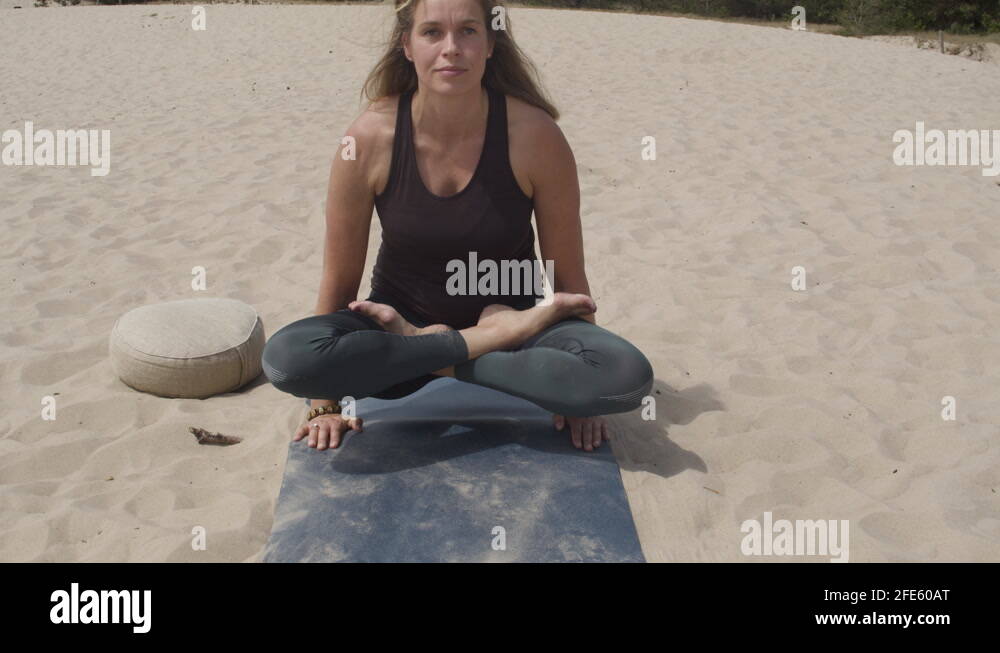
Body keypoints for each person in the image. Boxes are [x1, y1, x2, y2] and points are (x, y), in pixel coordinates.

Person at [262, 0, 653, 453]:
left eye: (468, 31)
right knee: (289, 359)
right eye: (432, 33)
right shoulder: (367, 139)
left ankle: (455, 349)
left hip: (516, 328)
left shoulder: (535, 135)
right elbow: (338, 282)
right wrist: (323, 401)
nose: (451, 48)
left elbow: (570, 280)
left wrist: (585, 397)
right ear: (406, 45)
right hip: (399, 328)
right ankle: (474, 343)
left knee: (624, 376)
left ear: (490, 45)